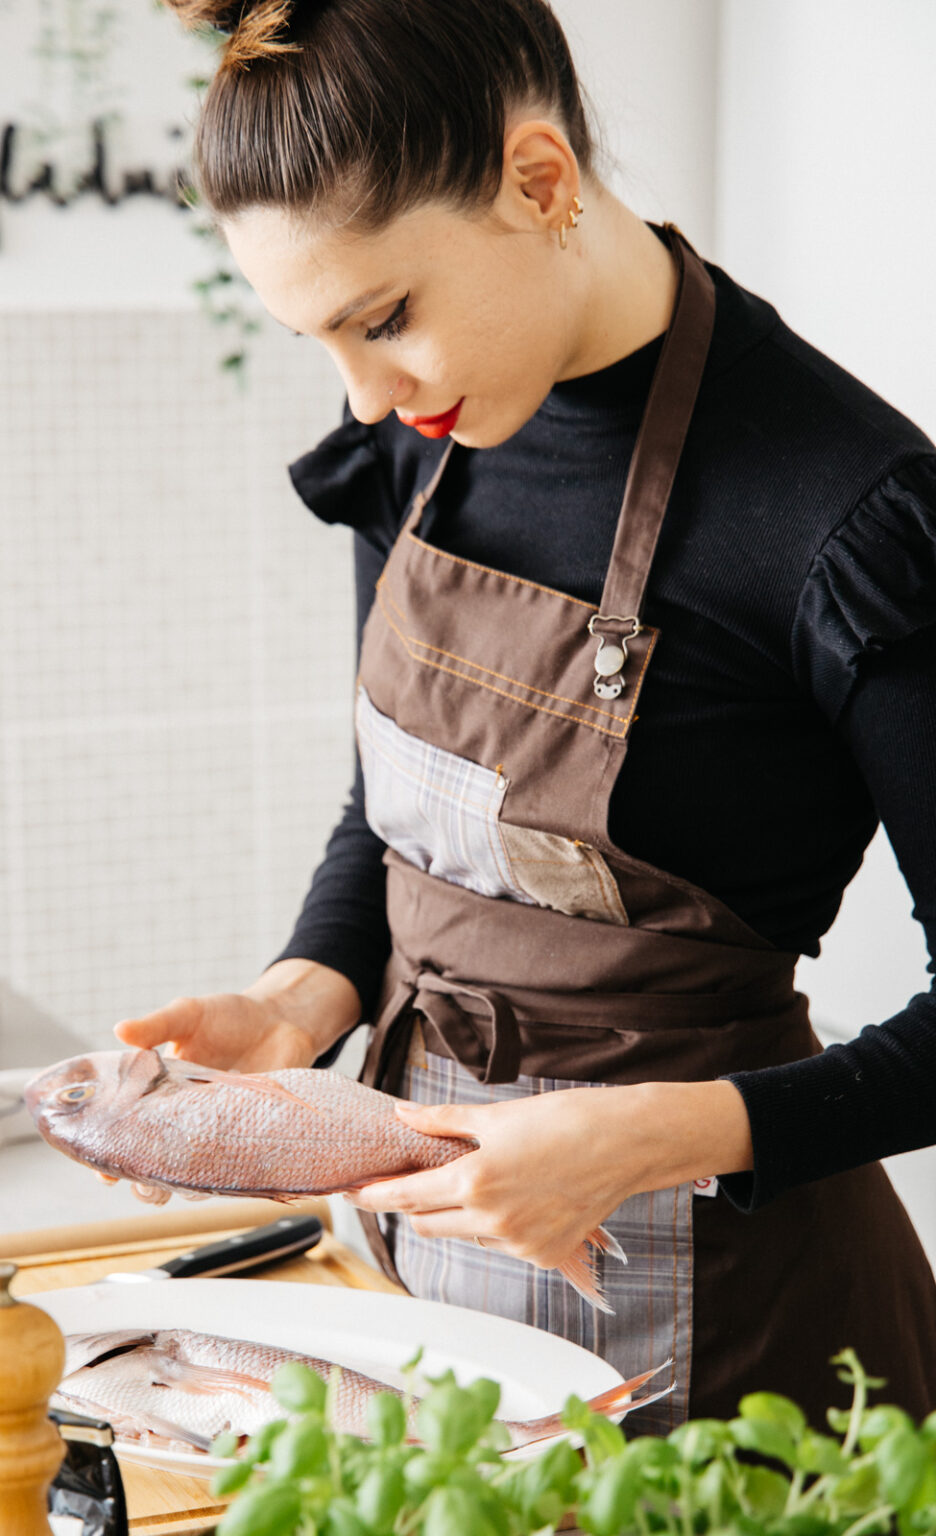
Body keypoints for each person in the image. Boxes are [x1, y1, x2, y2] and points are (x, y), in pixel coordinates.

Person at [118, 0, 936, 1430]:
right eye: (321, 339)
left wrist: (658, 1136)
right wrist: (304, 990)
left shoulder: (842, 513)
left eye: (385, 318)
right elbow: (406, 808)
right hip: (416, 1288)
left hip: (732, 1352)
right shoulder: (428, 442)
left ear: (540, 180)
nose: (368, 391)